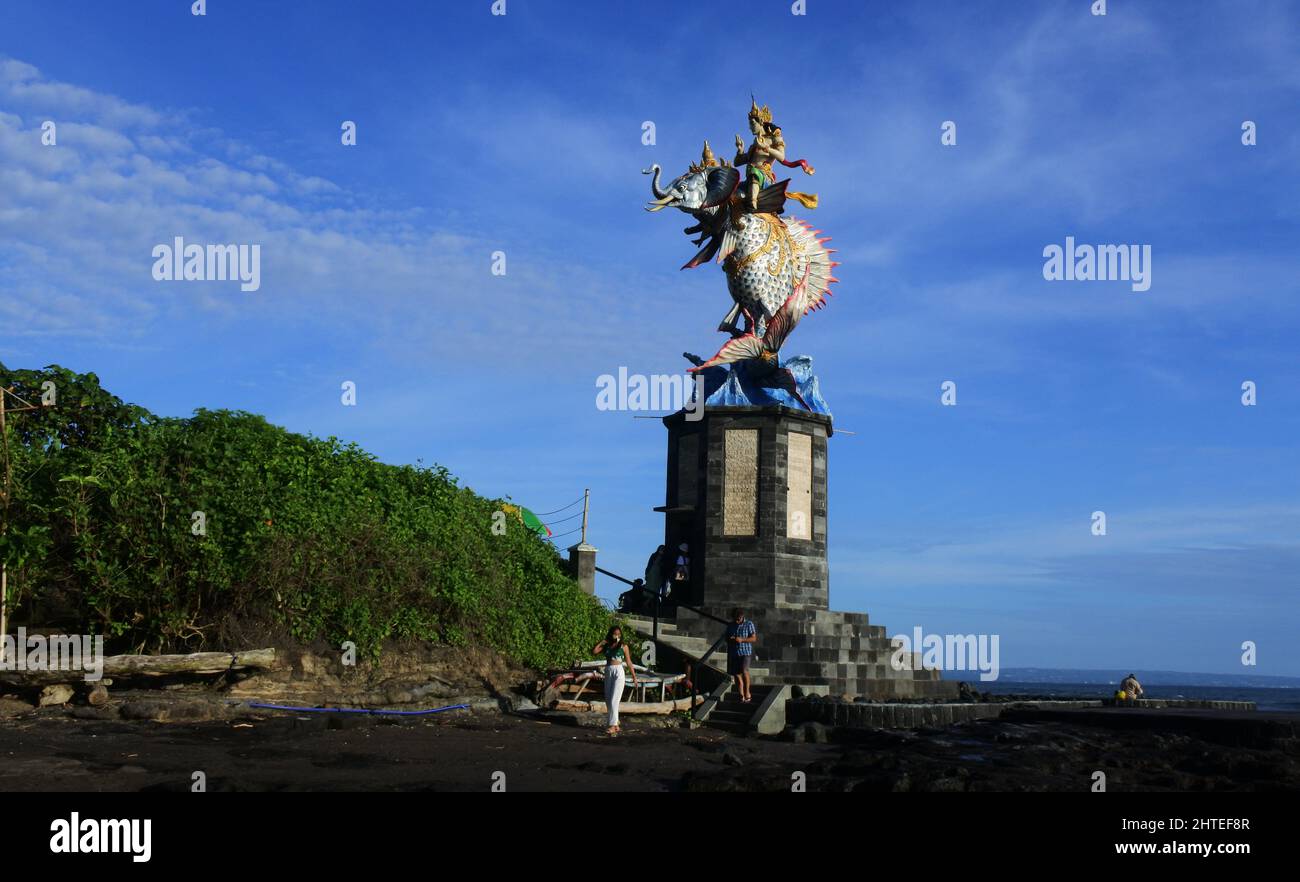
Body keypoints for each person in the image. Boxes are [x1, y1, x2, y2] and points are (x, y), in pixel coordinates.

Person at [593, 626, 637, 736]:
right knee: (608, 700)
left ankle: (612, 726)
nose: (617, 636)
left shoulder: (623, 646)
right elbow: (594, 651)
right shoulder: (607, 645)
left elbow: (629, 662)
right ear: (611, 634)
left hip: (619, 671)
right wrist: (602, 642)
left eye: (619, 634)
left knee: (614, 700)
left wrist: (634, 677)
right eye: (615, 634)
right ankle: (616, 725)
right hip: (608, 671)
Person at [725, 607, 757, 703]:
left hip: (745, 652)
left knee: (744, 670)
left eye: (738, 619)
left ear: (742, 616)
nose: (737, 621)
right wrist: (731, 639)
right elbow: (726, 638)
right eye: (735, 619)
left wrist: (742, 639)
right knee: (736, 674)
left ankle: (747, 693)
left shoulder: (749, 624)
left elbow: (754, 638)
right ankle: (741, 694)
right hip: (734, 652)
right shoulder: (731, 625)